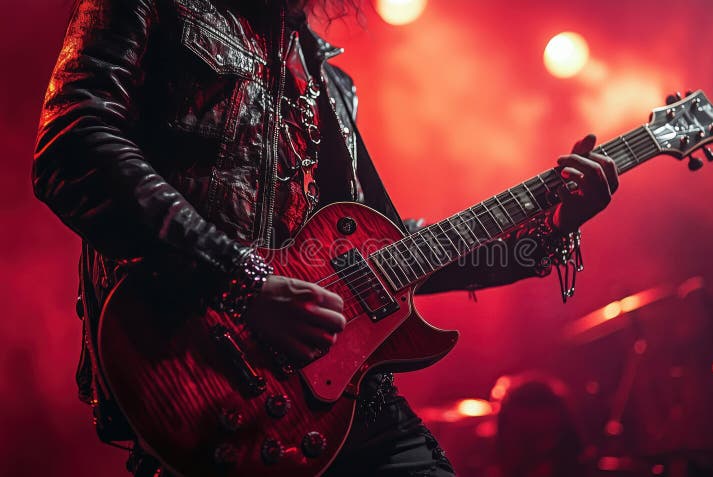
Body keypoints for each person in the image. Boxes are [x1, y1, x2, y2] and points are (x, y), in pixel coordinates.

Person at [32, 0, 619, 474]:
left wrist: (553, 223)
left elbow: (392, 253)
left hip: (344, 399)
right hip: (201, 375)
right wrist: (245, 283)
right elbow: (74, 144)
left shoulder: (327, 79)